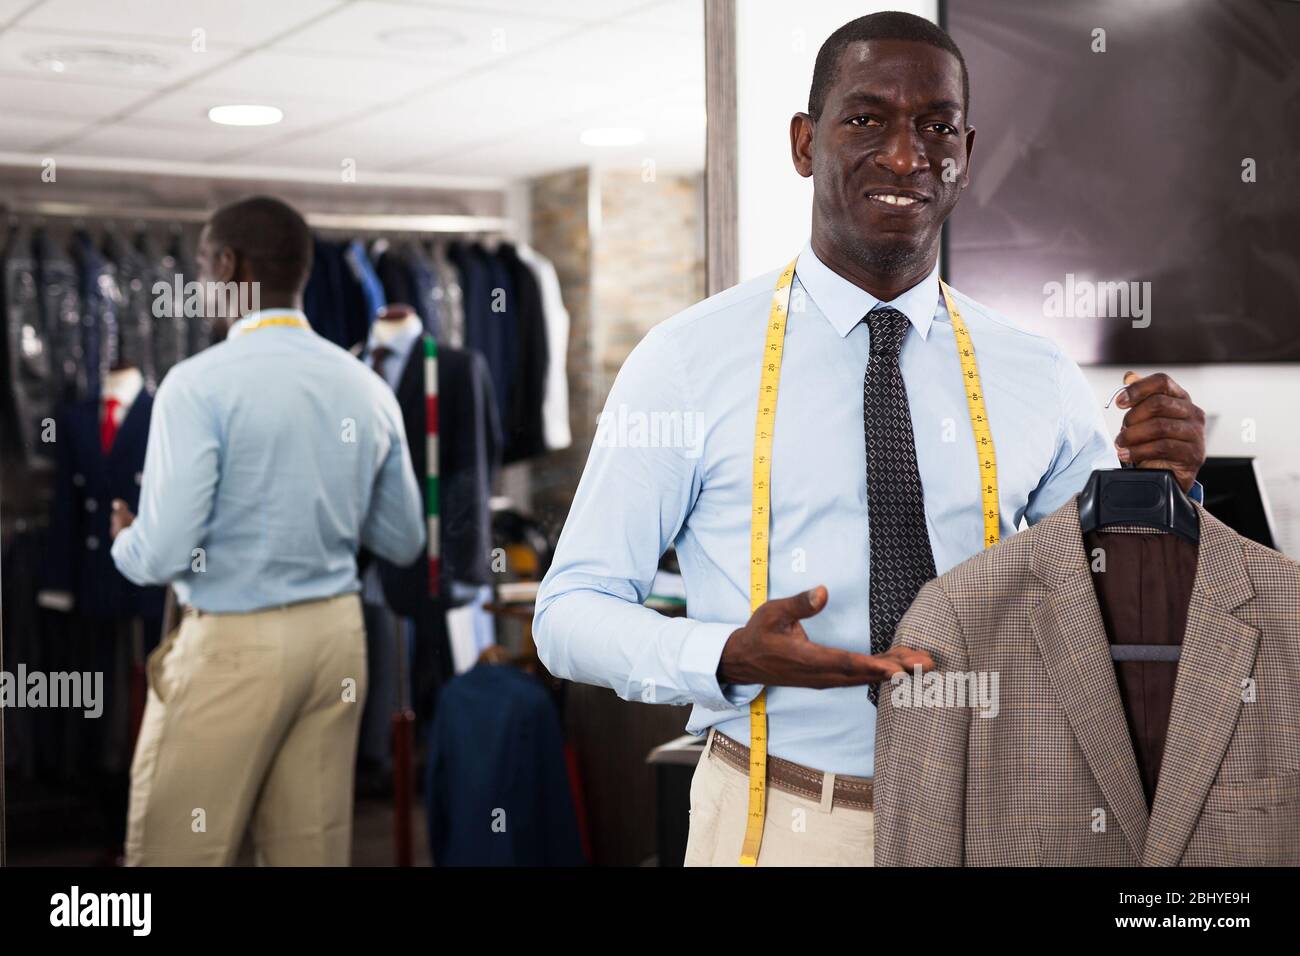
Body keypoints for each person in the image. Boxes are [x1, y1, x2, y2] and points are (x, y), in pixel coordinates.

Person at [533, 12, 1207, 867]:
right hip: (783, 823)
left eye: (935, 127)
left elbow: (1109, 603)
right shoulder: (686, 361)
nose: (903, 155)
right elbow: (566, 615)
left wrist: (1169, 491)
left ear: (966, 151)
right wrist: (726, 655)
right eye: (866, 119)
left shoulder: (1034, 373)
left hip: (1000, 815)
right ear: (804, 143)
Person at [110, 196, 425, 865]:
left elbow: (163, 550)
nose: (199, 284)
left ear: (228, 264)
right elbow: (404, 542)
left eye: (200, 265)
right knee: (308, 852)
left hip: (233, 645)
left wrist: (125, 540)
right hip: (336, 640)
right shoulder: (366, 386)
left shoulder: (196, 385)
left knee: (176, 852)